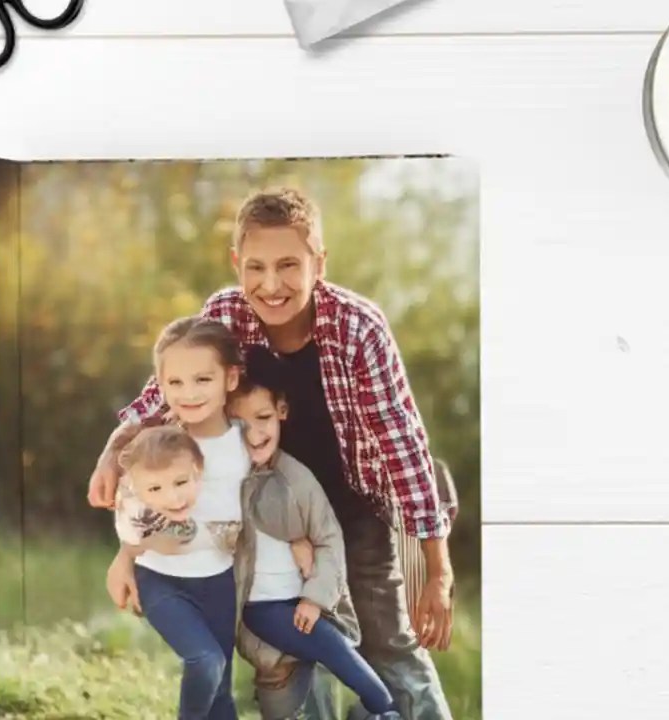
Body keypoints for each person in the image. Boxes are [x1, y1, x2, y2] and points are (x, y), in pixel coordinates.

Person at [95, 187, 458, 719]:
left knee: (388, 645)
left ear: (320, 262)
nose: (271, 284)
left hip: (351, 508)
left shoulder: (358, 328)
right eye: (256, 267)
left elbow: (403, 447)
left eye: (290, 265)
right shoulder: (225, 314)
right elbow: (166, 393)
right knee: (291, 650)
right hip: (265, 511)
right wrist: (111, 453)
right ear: (237, 263)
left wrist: (439, 571)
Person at [232, 346, 402, 720]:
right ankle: (382, 709)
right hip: (259, 609)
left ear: (282, 412)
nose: (253, 433)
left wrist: (314, 598)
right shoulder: (225, 475)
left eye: (262, 417)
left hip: (301, 604)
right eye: (238, 423)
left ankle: (380, 709)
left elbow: (328, 539)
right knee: (315, 657)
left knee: (328, 649)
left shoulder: (297, 478)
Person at [104, 316, 251, 720]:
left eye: (203, 380)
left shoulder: (248, 441)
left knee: (221, 692)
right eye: (175, 383)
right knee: (205, 662)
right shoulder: (158, 444)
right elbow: (132, 507)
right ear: (161, 385)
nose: (188, 394)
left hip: (219, 581)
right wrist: (125, 557)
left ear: (230, 379)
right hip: (161, 577)